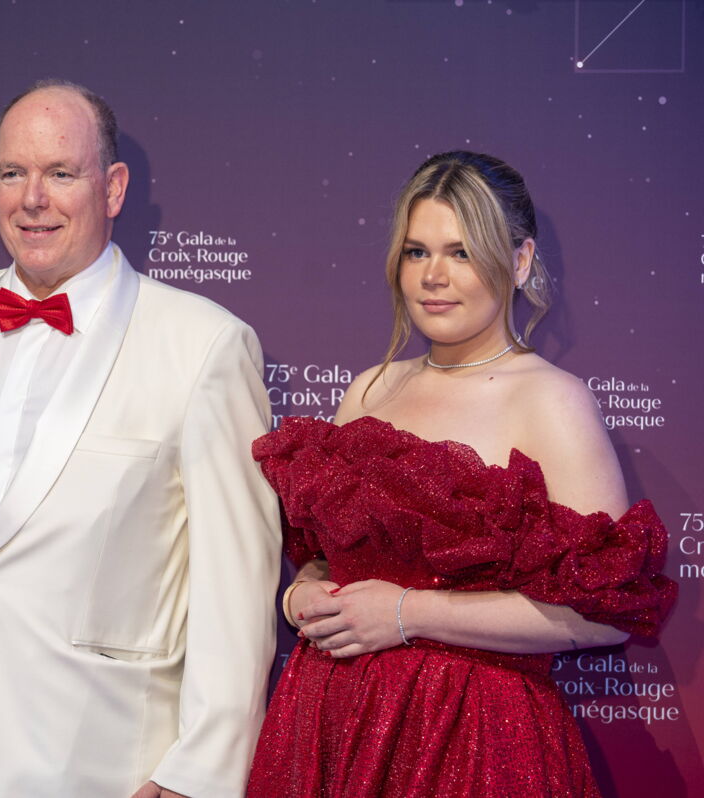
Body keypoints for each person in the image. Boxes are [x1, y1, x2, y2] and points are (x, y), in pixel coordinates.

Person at [246, 151, 677, 797]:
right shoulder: (368, 389)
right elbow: (325, 558)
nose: (433, 277)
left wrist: (409, 613)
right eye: (417, 252)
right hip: (329, 718)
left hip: (473, 736)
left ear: (521, 261)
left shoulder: (551, 401)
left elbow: (605, 615)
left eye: (462, 252)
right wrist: (302, 593)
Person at [0, 79, 281, 798]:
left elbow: (238, 583)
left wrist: (200, 772)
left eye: (60, 173)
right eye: (12, 173)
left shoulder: (204, 344)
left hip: (108, 764)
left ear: (112, 188)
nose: (32, 199)